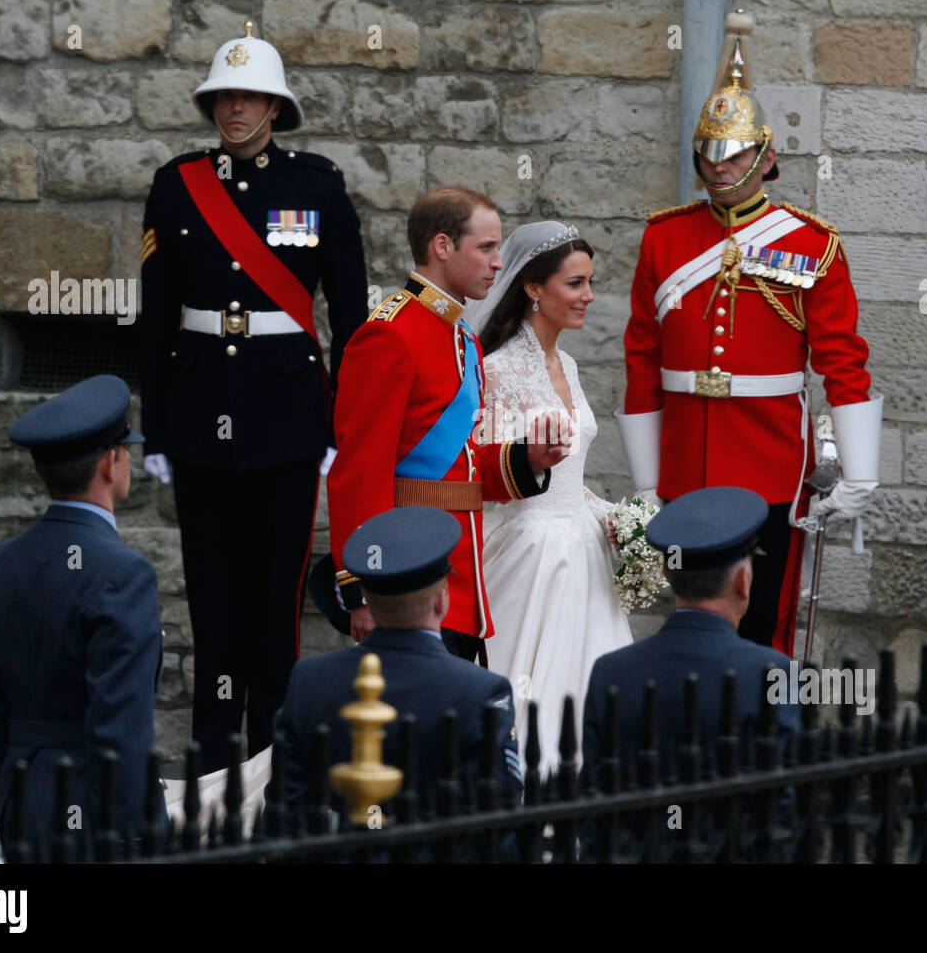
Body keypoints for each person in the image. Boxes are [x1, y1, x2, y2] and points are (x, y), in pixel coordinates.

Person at [138, 21, 368, 772]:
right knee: (212, 601)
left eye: (250, 97)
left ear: (275, 106)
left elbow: (353, 316)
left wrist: (339, 421)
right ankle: (210, 764)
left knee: (275, 606)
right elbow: (154, 318)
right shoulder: (176, 184)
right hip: (202, 416)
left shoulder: (317, 185)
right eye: (224, 97)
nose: (235, 110)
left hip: (289, 420)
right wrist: (159, 430)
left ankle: (272, 762)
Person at [620, 27, 880, 656]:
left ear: (766, 158)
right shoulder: (664, 239)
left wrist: (861, 471)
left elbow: (841, 358)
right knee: (689, 620)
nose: (720, 168)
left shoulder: (809, 243)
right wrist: (647, 478)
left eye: (735, 156)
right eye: (710, 155)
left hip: (769, 463)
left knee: (761, 620)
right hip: (684, 462)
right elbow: (641, 360)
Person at [325, 187, 567, 665]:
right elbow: (359, 471)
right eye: (486, 247)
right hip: (409, 585)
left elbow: (463, 464)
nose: (499, 263)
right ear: (442, 247)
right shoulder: (389, 333)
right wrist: (367, 587)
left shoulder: (463, 339)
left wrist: (527, 458)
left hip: (460, 584)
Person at [0, 375, 166, 841]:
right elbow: (121, 732)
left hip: (13, 807)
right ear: (110, 466)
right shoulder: (125, 574)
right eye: (125, 450)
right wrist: (132, 836)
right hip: (91, 815)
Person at [461, 220, 633, 775]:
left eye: (589, 283)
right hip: (530, 550)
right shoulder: (498, 369)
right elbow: (484, 472)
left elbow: (567, 473)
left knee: (588, 684)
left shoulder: (572, 365)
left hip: (583, 547)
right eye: (574, 284)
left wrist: (619, 519)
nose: (588, 296)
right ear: (534, 287)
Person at [273, 507, 521, 817]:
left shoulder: (309, 679)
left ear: (366, 595)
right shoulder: (481, 691)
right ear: (442, 600)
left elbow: (286, 809)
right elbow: (498, 819)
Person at [581, 487, 800, 785]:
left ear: (666, 572)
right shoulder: (776, 674)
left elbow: (593, 796)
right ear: (742, 582)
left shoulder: (611, 671)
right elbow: (786, 805)